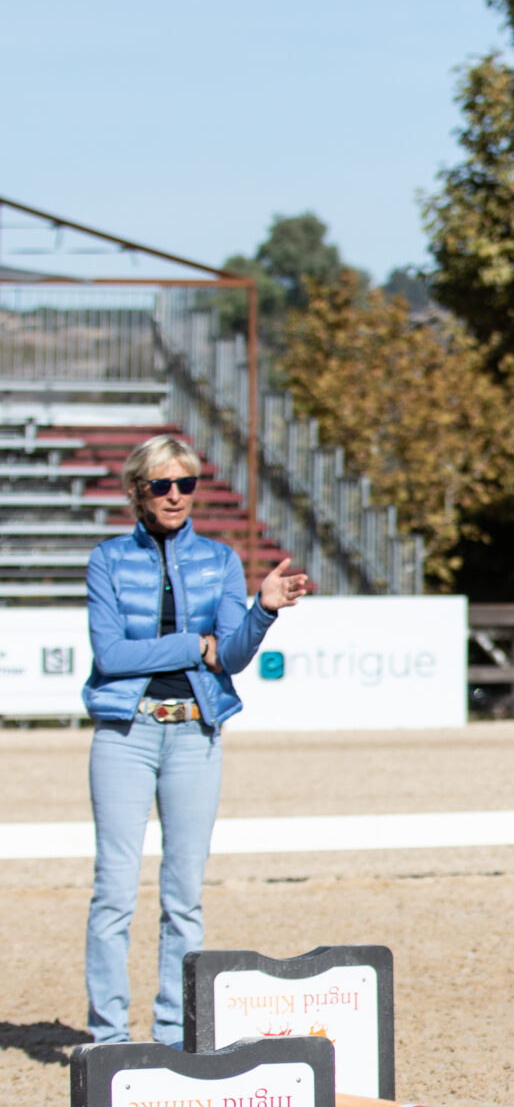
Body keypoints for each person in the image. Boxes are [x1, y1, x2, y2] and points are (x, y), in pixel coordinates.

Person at [81, 435, 310, 1045]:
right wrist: (191, 644)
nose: (176, 495)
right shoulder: (106, 560)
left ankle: (171, 1033)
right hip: (124, 734)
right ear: (139, 491)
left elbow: (230, 655)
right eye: (162, 485)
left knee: (183, 896)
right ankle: (106, 1037)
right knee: (114, 893)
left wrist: (261, 611)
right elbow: (111, 654)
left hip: (195, 733)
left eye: (185, 484)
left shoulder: (220, 560)